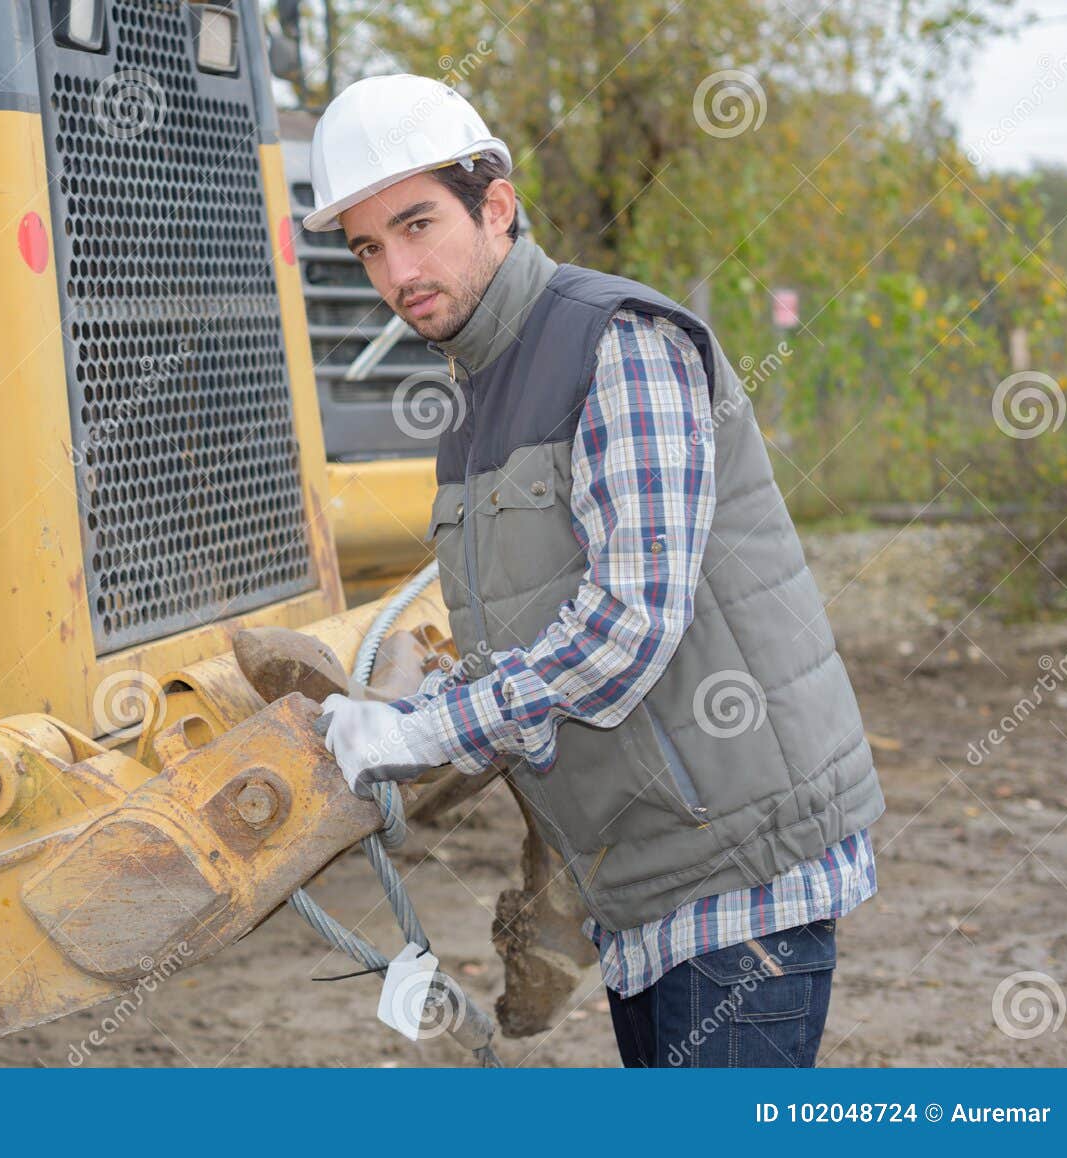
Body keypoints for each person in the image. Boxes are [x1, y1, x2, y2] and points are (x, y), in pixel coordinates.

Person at [305, 74, 884, 1068]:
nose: (398, 271)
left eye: (416, 225)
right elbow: (535, 632)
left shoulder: (616, 342)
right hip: (644, 882)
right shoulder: (477, 397)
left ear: (497, 203)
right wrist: (421, 700)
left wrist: (421, 729)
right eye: (368, 248)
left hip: (736, 871)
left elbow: (629, 625)